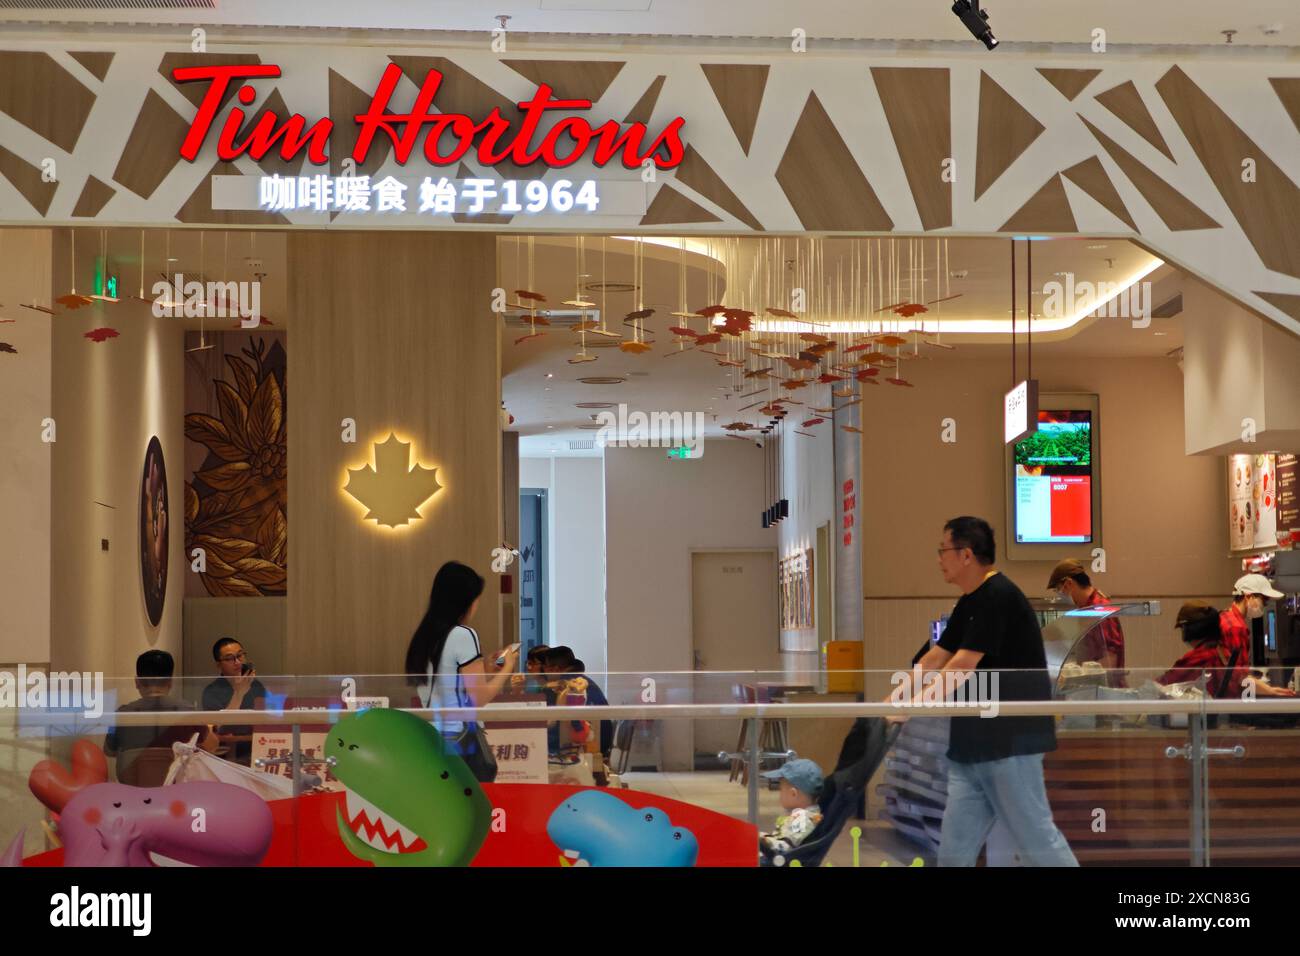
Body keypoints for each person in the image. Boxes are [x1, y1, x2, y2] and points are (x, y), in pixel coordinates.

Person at [894, 516, 1077, 867]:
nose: (938, 558)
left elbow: (962, 665)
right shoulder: (970, 601)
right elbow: (936, 657)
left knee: (1037, 839)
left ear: (966, 554)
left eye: (943, 550)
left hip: (1010, 744)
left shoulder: (998, 596)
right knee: (954, 852)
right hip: (972, 748)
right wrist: (892, 700)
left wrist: (909, 706)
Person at [404, 561, 519, 781]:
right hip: (460, 740)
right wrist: (507, 668)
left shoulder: (425, 635)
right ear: (465, 601)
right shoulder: (464, 634)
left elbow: (447, 680)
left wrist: (486, 667)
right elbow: (478, 698)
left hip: (432, 737)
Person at [106, 650, 218, 784]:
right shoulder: (187, 711)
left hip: (133, 791)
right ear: (171, 682)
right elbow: (212, 745)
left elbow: (109, 750)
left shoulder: (122, 714)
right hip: (176, 791)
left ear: (137, 682)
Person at [1160, 601, 1296, 699]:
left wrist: (1271, 691)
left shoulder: (1197, 658)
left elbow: (1160, 686)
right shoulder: (1223, 653)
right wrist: (1271, 691)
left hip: (1210, 724)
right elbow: (1242, 678)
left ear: (1189, 630)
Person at [1047, 558, 1126, 686]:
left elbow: (1111, 659)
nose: (1059, 595)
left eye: (1058, 590)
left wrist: (1077, 678)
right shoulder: (1086, 610)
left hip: (1103, 689)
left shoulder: (1099, 609)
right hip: (1091, 688)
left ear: (1068, 583)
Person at [201, 637, 267, 764]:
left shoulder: (256, 685)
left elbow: (265, 719)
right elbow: (217, 728)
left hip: (256, 750)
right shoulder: (212, 691)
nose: (237, 662)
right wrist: (239, 693)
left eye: (240, 655)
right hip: (225, 756)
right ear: (219, 665)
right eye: (229, 658)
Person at [758, 759, 825, 857]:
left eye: (781, 789)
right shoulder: (809, 814)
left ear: (793, 794)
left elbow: (784, 847)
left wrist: (759, 840)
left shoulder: (802, 820)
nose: (780, 793)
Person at [1221, 573, 1284, 670]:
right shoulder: (1236, 627)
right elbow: (1240, 673)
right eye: (1264, 599)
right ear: (1248, 596)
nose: (1265, 604)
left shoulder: (1225, 615)